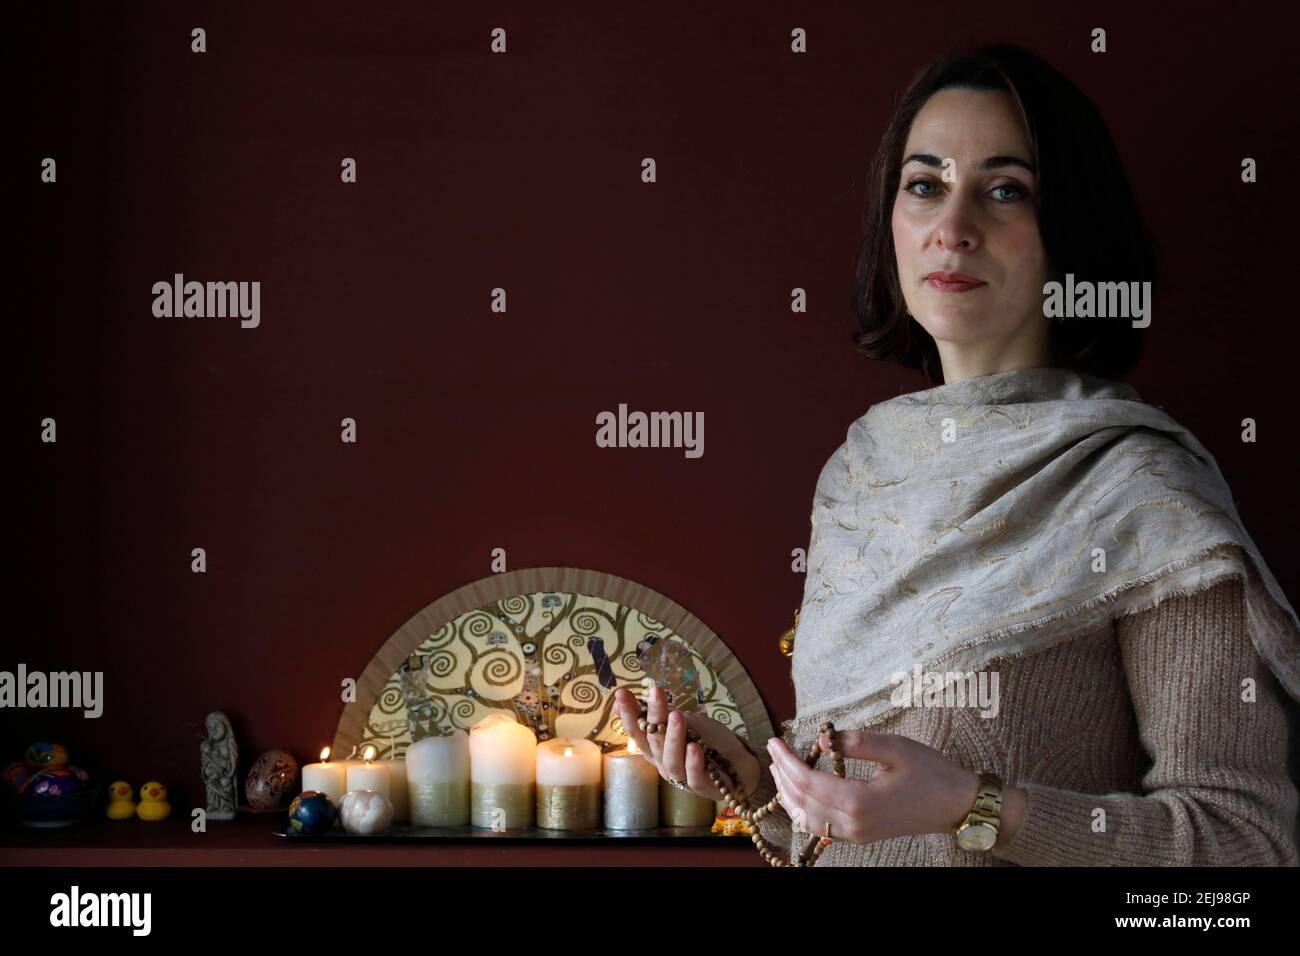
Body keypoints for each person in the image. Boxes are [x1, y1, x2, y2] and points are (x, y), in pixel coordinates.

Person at [614, 43, 1300, 866]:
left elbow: (1245, 857)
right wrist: (765, 791)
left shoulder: (1140, 492)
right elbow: (865, 832)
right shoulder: (861, 473)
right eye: (925, 185)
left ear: (1070, 229)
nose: (953, 228)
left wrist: (982, 811)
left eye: (1005, 191)